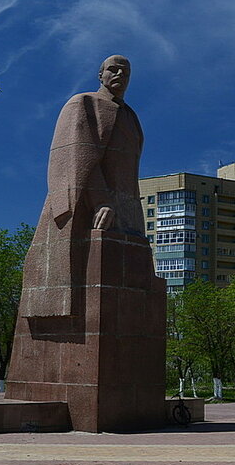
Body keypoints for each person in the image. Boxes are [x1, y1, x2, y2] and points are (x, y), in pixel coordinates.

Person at [18, 55, 145, 318]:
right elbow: (76, 155)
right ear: (101, 75)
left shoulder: (131, 118)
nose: (120, 74)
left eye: (126, 71)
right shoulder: (85, 103)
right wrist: (100, 200)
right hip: (91, 209)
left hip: (128, 213)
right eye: (113, 69)